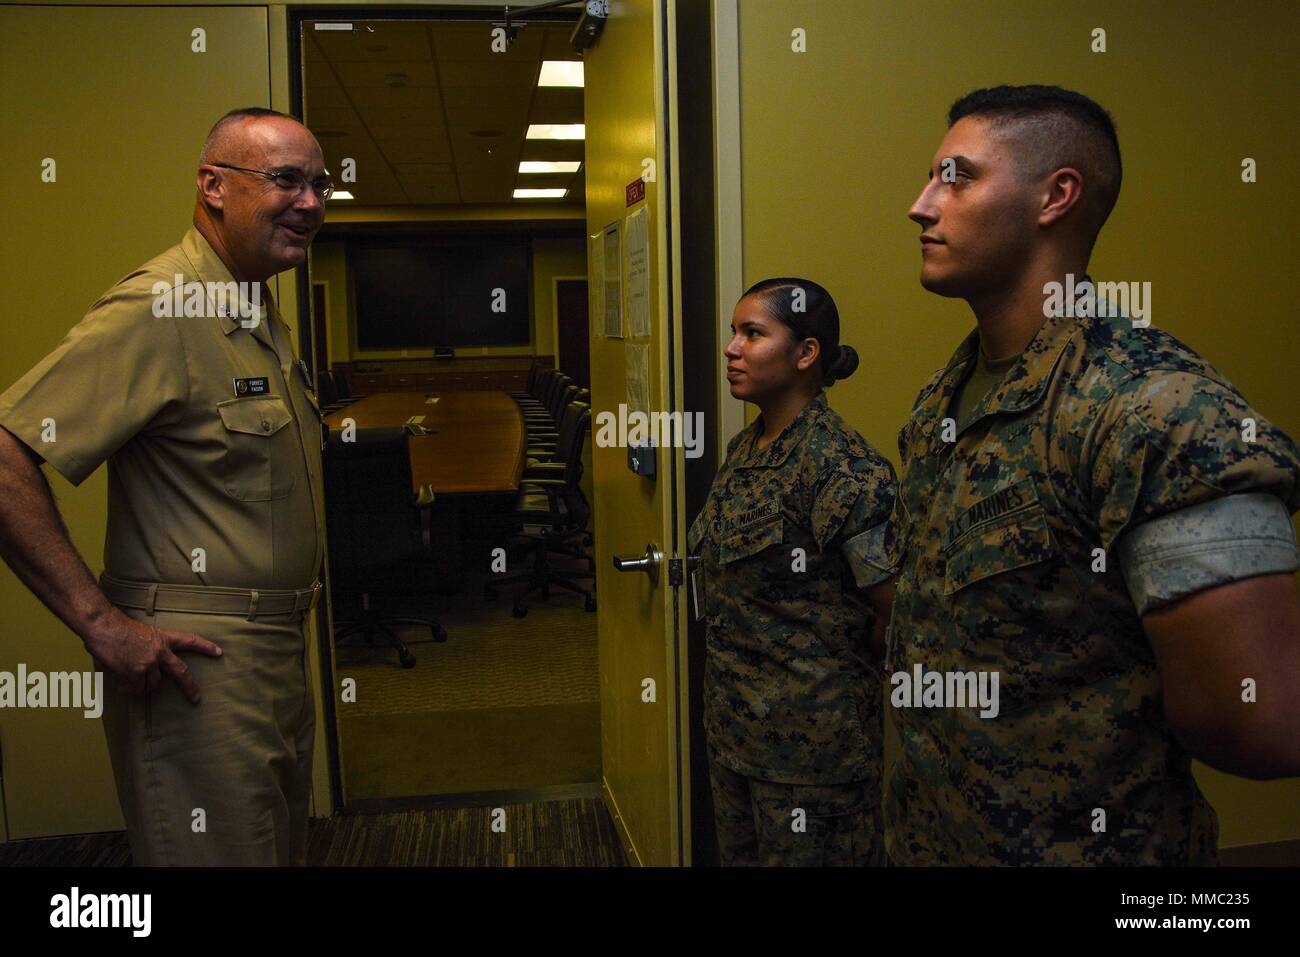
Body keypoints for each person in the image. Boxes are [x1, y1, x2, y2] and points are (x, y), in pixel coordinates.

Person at [886, 84, 1300, 865]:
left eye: (956, 176)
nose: (920, 204)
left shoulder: (1158, 412)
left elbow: (1258, 719)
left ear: (1057, 197)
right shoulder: (950, 395)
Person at [0, 107, 332, 865]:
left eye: (320, 184)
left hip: (277, 652)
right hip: (199, 662)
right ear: (213, 186)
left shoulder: (252, 307)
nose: (310, 203)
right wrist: (101, 622)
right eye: (286, 179)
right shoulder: (163, 303)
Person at [687, 278, 897, 866]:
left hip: (813, 760)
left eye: (753, 333)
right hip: (735, 736)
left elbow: (895, 609)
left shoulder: (843, 467)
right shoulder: (746, 448)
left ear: (806, 353)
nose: (732, 348)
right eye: (733, 332)